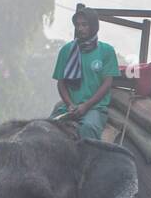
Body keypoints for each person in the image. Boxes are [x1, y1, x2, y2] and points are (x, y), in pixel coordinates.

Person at [51, 8, 119, 140]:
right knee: (45, 129)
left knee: (88, 128)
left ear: (94, 26)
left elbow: (107, 83)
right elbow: (61, 83)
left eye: (85, 25)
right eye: (77, 25)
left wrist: (86, 106)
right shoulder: (66, 51)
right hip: (68, 107)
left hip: (95, 108)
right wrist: (70, 104)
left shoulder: (107, 51)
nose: (80, 28)